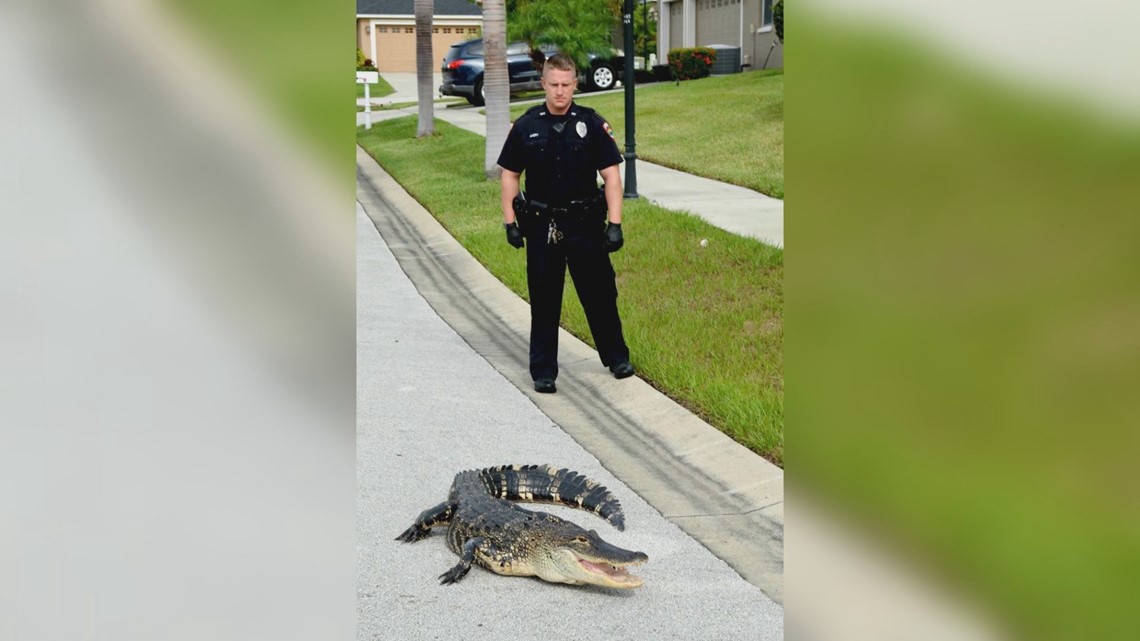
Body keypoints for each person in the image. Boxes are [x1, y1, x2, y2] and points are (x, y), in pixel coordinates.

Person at [497, 53, 634, 394]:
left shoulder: (592, 124)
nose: (560, 91)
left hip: (585, 225)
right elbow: (510, 174)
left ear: (575, 84)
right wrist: (510, 221)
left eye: (566, 85)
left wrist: (614, 223)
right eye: (553, 84)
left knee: (600, 294)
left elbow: (612, 176)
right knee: (544, 300)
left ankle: (616, 357)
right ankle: (544, 370)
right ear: (543, 84)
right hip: (543, 227)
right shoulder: (526, 126)